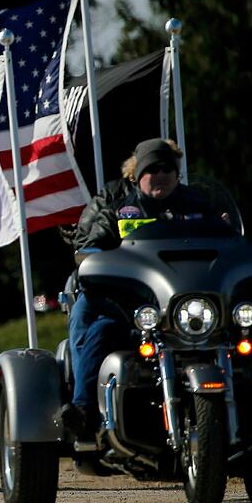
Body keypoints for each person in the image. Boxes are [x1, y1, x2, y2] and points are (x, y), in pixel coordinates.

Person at [63, 138, 216, 438]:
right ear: (137, 173)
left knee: (251, 329)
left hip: (187, 306)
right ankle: (83, 410)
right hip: (130, 305)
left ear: (177, 172)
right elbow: (88, 246)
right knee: (100, 330)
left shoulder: (198, 206)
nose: (160, 175)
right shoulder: (118, 206)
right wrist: (94, 257)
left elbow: (226, 243)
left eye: (167, 168)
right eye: (152, 169)